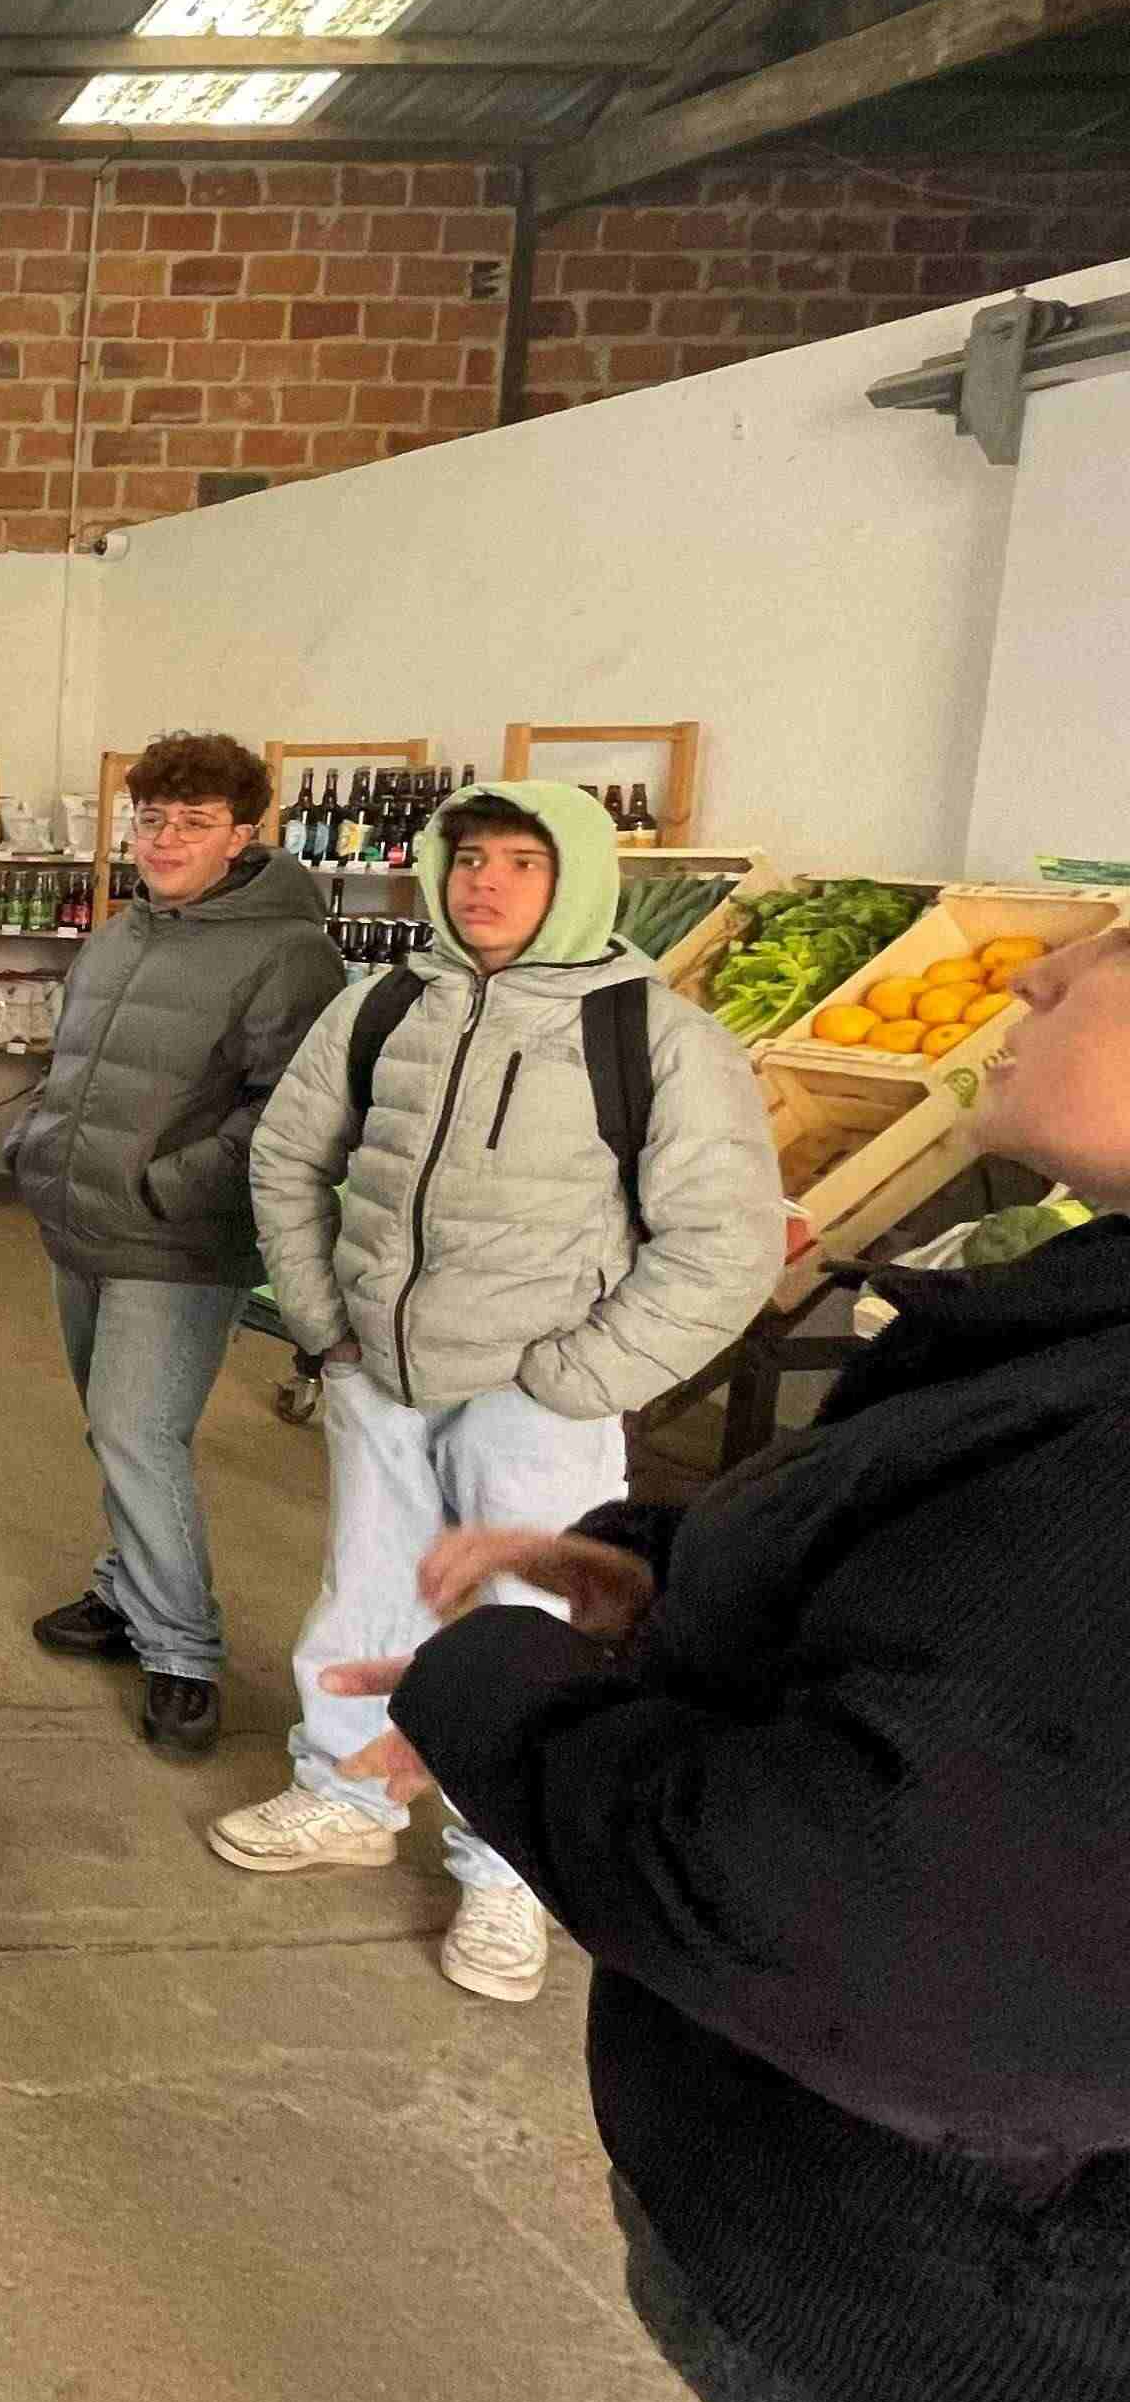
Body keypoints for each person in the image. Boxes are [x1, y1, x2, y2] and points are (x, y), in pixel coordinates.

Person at [354, 925, 1130, 2402]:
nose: (1041, 968)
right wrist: (683, 1585)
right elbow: (971, 1622)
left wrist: (495, 1686)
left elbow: (849, 1902)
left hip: (979, 2386)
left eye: (1119, 946)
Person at [226, 778, 776, 2005]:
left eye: (521, 863)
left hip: (537, 1391)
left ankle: (507, 1874)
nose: (485, 881)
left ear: (575, 878)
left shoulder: (656, 1037)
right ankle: (345, 1794)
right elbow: (288, 1155)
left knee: (528, 1622)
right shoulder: (386, 1005)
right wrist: (325, 1321)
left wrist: (580, 1377)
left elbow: (727, 1243)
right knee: (368, 1581)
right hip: (380, 1365)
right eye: (469, 856)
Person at [7, 730, 346, 1761]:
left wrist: (171, 1186)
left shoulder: (290, 951)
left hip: (177, 1238)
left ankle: (183, 1653)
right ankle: (124, 1591)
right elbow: (78, 1067)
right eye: (151, 818)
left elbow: (290, 1110)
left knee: (138, 1433)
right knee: (112, 1429)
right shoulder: (125, 932)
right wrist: (33, 1141)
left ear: (246, 833)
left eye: (193, 823)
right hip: (81, 1220)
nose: (163, 839)